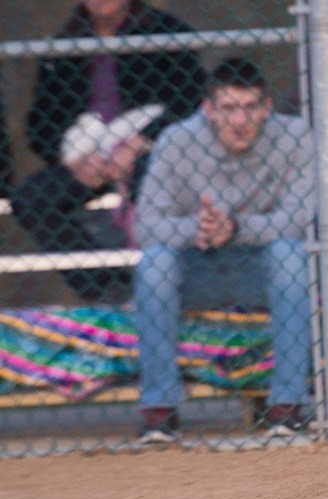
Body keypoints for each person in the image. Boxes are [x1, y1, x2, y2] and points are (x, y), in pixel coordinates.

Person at [134, 58, 316, 444]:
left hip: (261, 267)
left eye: (250, 107)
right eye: (229, 109)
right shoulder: (176, 141)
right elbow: (146, 224)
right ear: (208, 110)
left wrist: (235, 227)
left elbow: (300, 219)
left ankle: (286, 407)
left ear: (267, 107)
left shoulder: (296, 135)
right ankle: (159, 412)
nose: (240, 120)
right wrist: (195, 228)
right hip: (195, 265)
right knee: (153, 264)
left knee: (291, 256)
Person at [11, 0, 206, 302]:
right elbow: (41, 127)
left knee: (150, 180)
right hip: (87, 155)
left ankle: (162, 284)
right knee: (30, 199)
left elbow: (191, 103)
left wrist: (141, 143)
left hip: (150, 152)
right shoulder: (64, 45)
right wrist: (75, 161)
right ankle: (107, 289)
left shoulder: (166, 33)